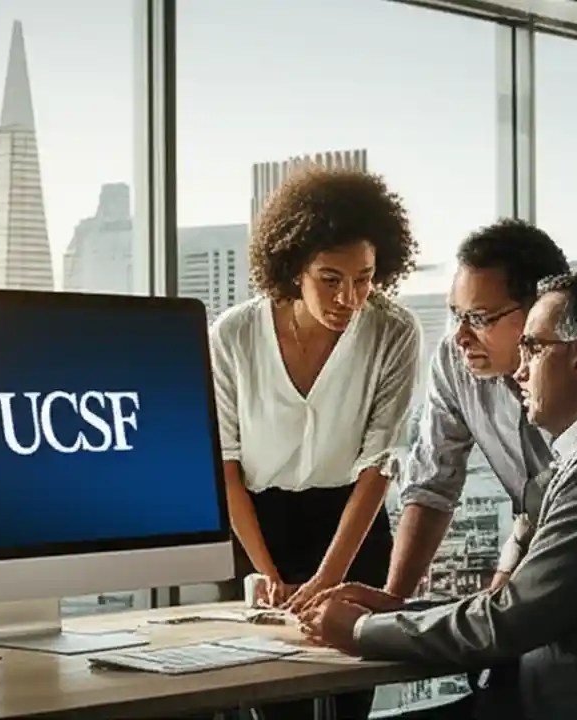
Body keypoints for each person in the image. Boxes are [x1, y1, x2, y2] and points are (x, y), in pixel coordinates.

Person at [302, 269, 577, 719]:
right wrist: (403, 609)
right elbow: (530, 603)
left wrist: (363, 630)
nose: (519, 370)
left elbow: (507, 623)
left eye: (533, 347)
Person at [309, 220, 577, 617]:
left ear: (544, 310)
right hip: (537, 566)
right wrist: (393, 600)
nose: (459, 337)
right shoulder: (456, 363)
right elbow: (433, 485)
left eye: (480, 318)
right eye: (456, 315)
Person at [209, 166, 421, 719]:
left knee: (348, 703)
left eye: (365, 278)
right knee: (270, 703)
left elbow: (379, 465)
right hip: (255, 529)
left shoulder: (394, 332)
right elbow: (225, 465)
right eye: (330, 278)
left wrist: (331, 578)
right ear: (293, 267)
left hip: (351, 529)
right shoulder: (233, 335)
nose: (349, 297)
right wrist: (268, 574)